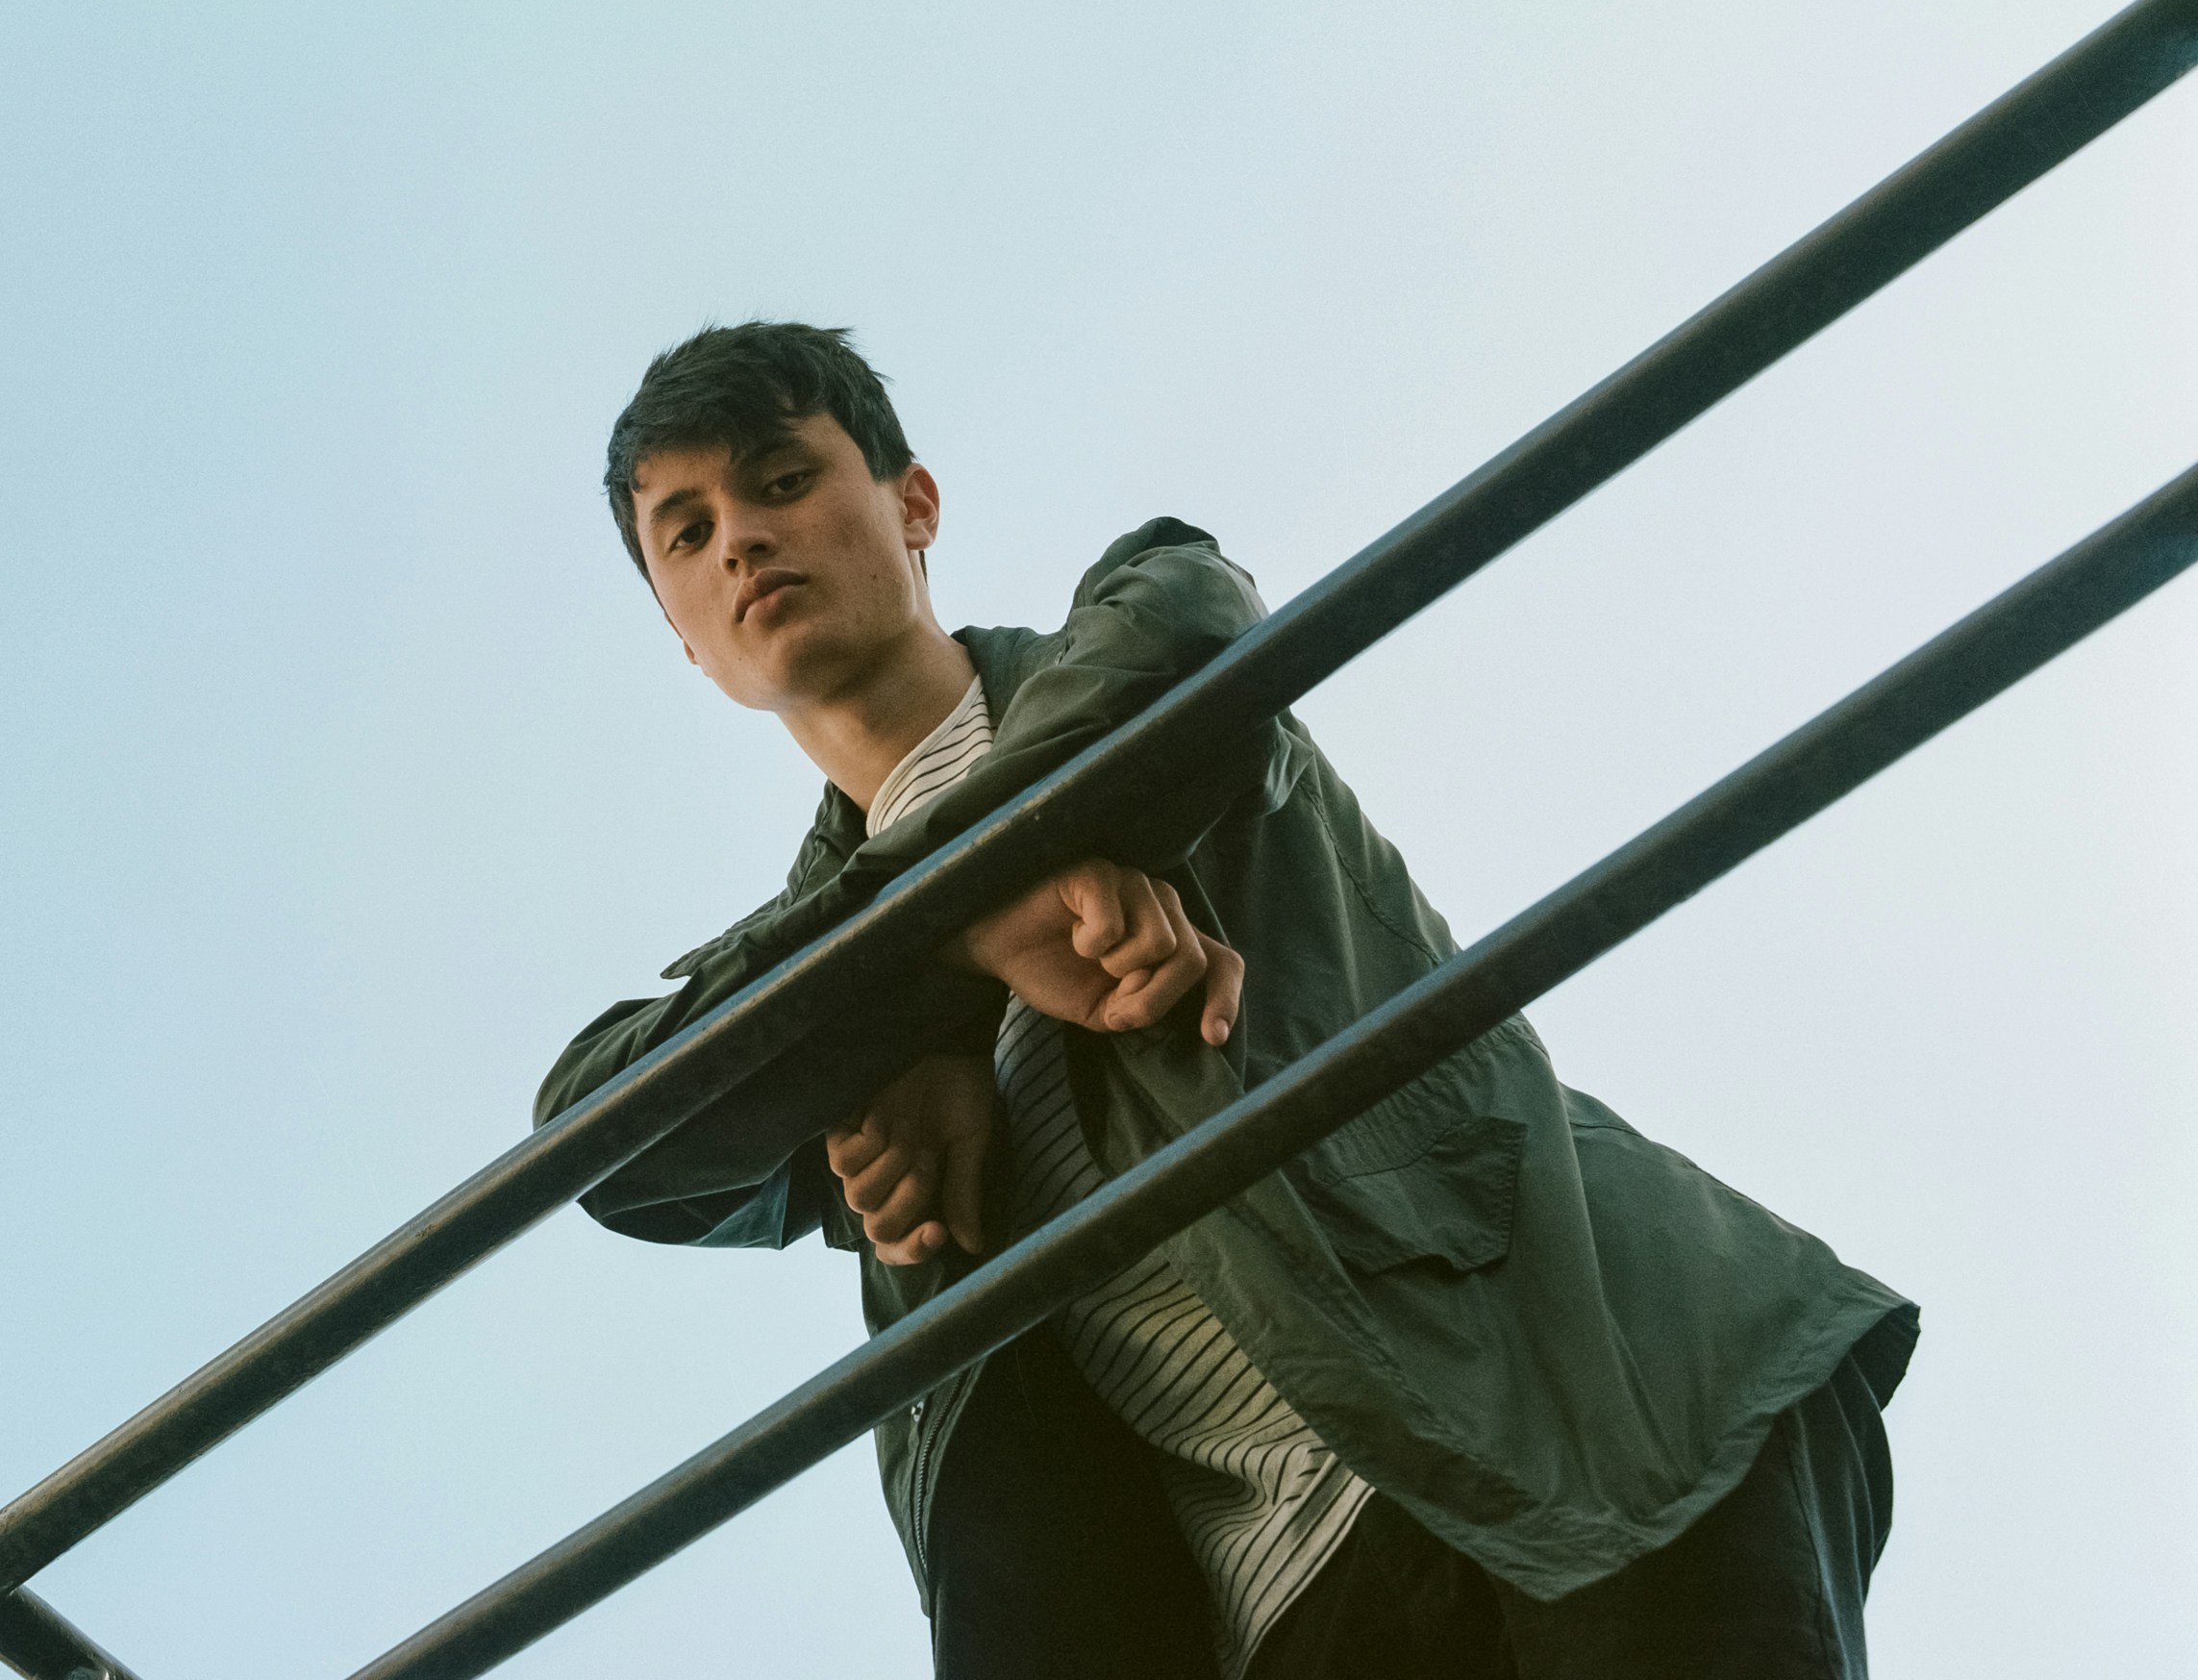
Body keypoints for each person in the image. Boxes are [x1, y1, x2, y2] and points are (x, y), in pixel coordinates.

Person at [537, 322, 1913, 1680]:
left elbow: (1190, 627)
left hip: (1585, 1410)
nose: (739, 540)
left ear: (913, 506)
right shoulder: (820, 1012)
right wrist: (947, 968)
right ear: (685, 645)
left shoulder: (1123, 657)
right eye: (685, 531)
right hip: (1282, 1612)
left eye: (782, 481)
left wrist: (932, 941)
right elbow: (601, 1140)